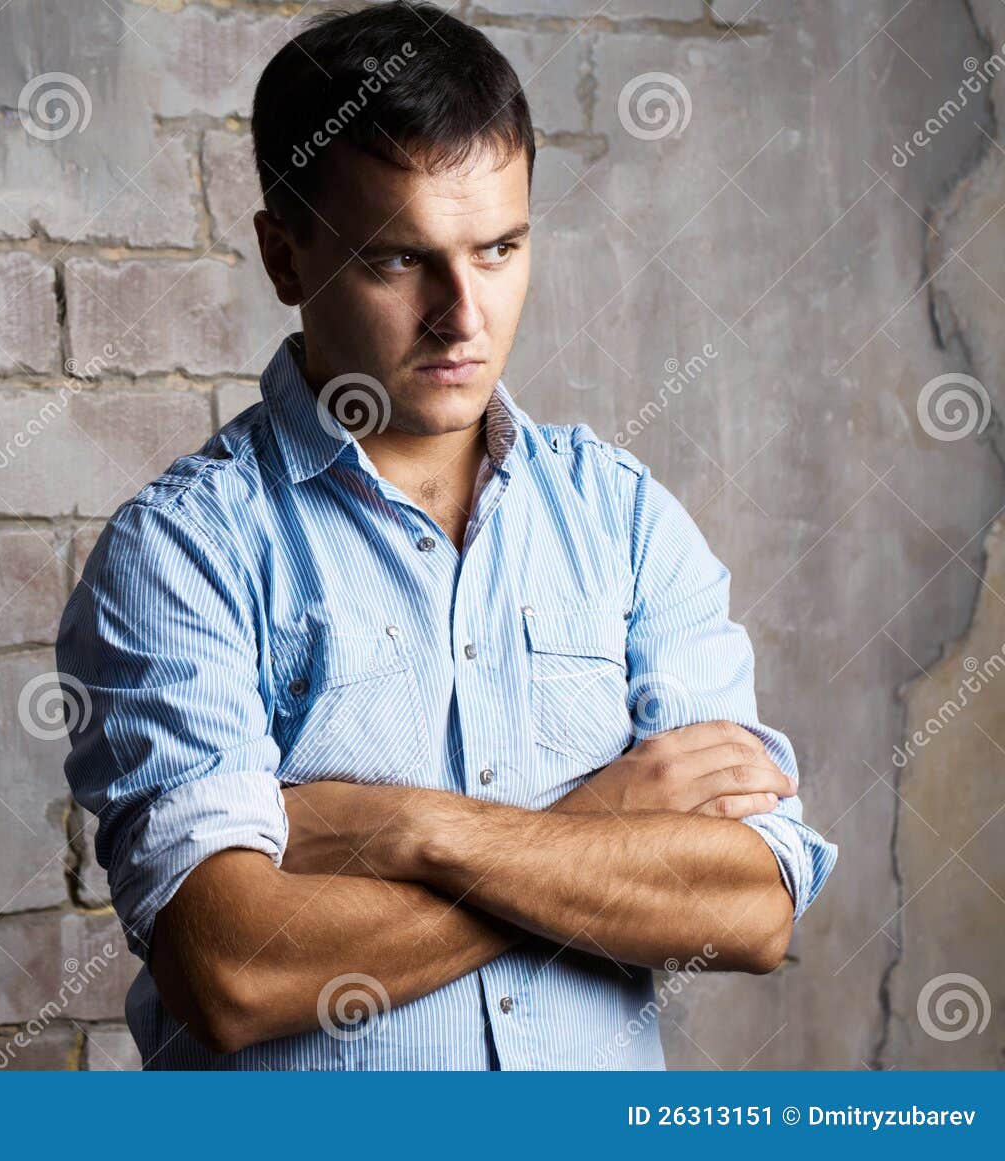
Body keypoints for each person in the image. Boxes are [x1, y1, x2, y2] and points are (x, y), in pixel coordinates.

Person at [56, 0, 836, 1069]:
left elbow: (749, 909)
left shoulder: (623, 518)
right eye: (396, 261)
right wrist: (602, 828)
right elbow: (233, 970)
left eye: (500, 248)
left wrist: (403, 834)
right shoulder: (180, 556)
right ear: (286, 259)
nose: (462, 314)